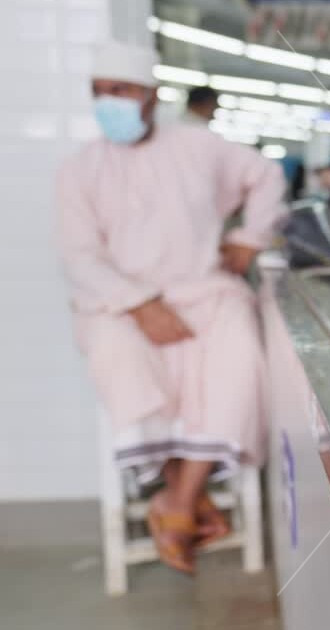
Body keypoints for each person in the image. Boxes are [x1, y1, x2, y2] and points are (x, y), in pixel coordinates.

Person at [55, 40, 286, 574]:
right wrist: (139, 305)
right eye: (99, 93)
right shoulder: (79, 170)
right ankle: (185, 495)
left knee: (239, 349)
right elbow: (79, 256)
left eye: (121, 90)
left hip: (202, 290)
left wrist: (250, 237)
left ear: (151, 95)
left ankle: (178, 502)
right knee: (120, 355)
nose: (108, 102)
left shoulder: (198, 146)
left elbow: (266, 175)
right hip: (116, 302)